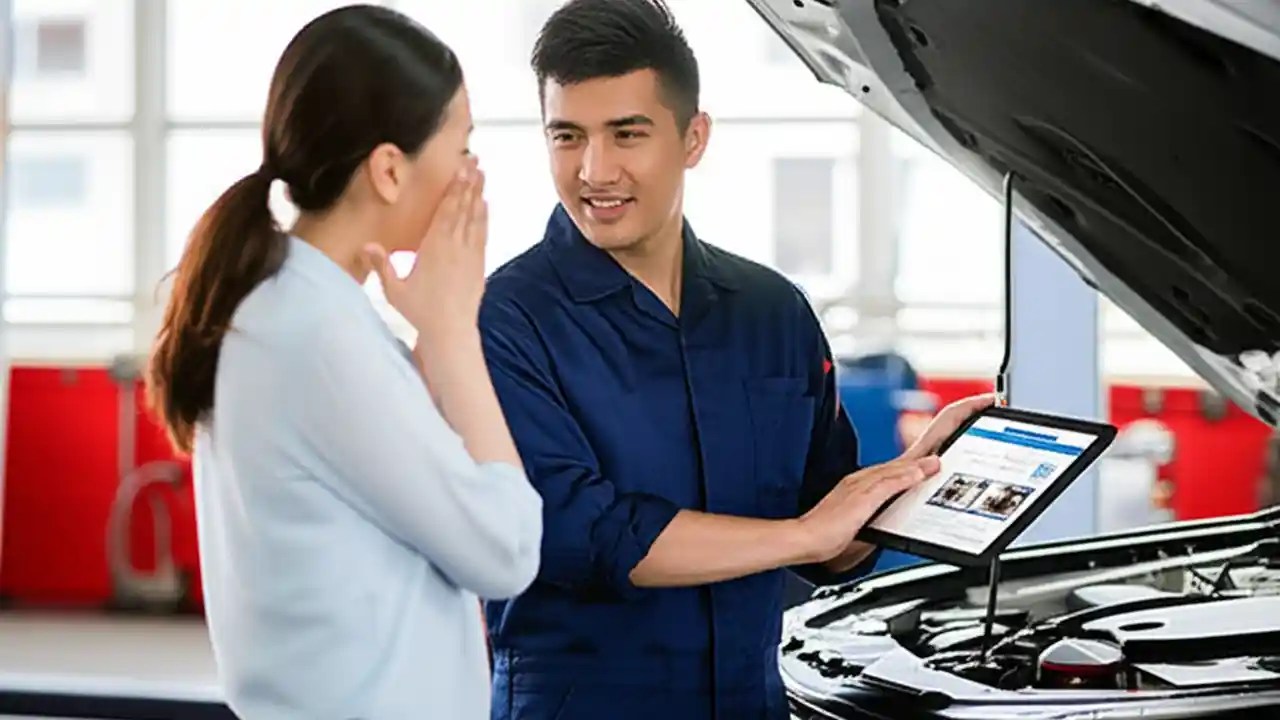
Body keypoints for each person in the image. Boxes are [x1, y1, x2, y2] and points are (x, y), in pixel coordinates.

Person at [477, 1, 992, 718]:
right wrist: (805, 533)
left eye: (627, 134)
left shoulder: (772, 312)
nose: (594, 171)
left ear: (693, 138)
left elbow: (826, 546)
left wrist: (909, 486)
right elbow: (583, 536)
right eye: (567, 136)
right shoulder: (506, 318)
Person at [144, 6, 542, 718]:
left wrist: (435, 333)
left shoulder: (294, 309)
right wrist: (454, 336)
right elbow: (505, 551)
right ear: (390, 170)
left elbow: (408, 482)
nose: (471, 172)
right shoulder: (315, 334)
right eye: (462, 146)